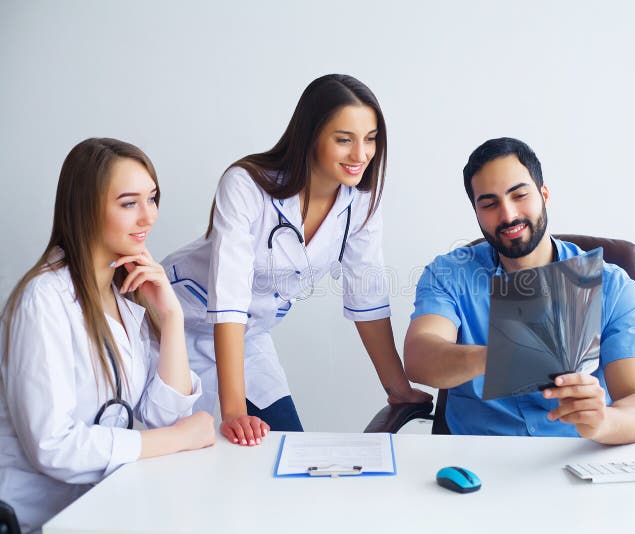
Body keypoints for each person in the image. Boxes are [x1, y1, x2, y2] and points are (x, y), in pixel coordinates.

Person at [163, 74, 431, 445]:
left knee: (287, 446)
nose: (361, 155)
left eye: (370, 139)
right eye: (344, 140)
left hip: (249, 340)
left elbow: (366, 296)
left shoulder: (361, 202)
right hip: (172, 331)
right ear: (310, 135)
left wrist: (398, 389)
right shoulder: (246, 185)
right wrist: (235, 410)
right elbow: (230, 298)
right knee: (188, 452)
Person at [0, 138, 216, 533]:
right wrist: (176, 439)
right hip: (40, 521)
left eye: (152, 199)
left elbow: (157, 418)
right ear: (86, 208)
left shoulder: (125, 293)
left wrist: (171, 318)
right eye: (128, 203)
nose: (148, 217)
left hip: (106, 506)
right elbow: (53, 446)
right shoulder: (44, 300)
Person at [404, 137, 635, 443]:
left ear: (544, 194)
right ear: (475, 212)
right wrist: (502, 356)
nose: (508, 215)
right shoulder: (449, 274)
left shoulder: (613, 286)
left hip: (574, 455)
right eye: (489, 204)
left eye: (519, 195)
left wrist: (603, 422)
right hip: (478, 460)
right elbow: (420, 357)